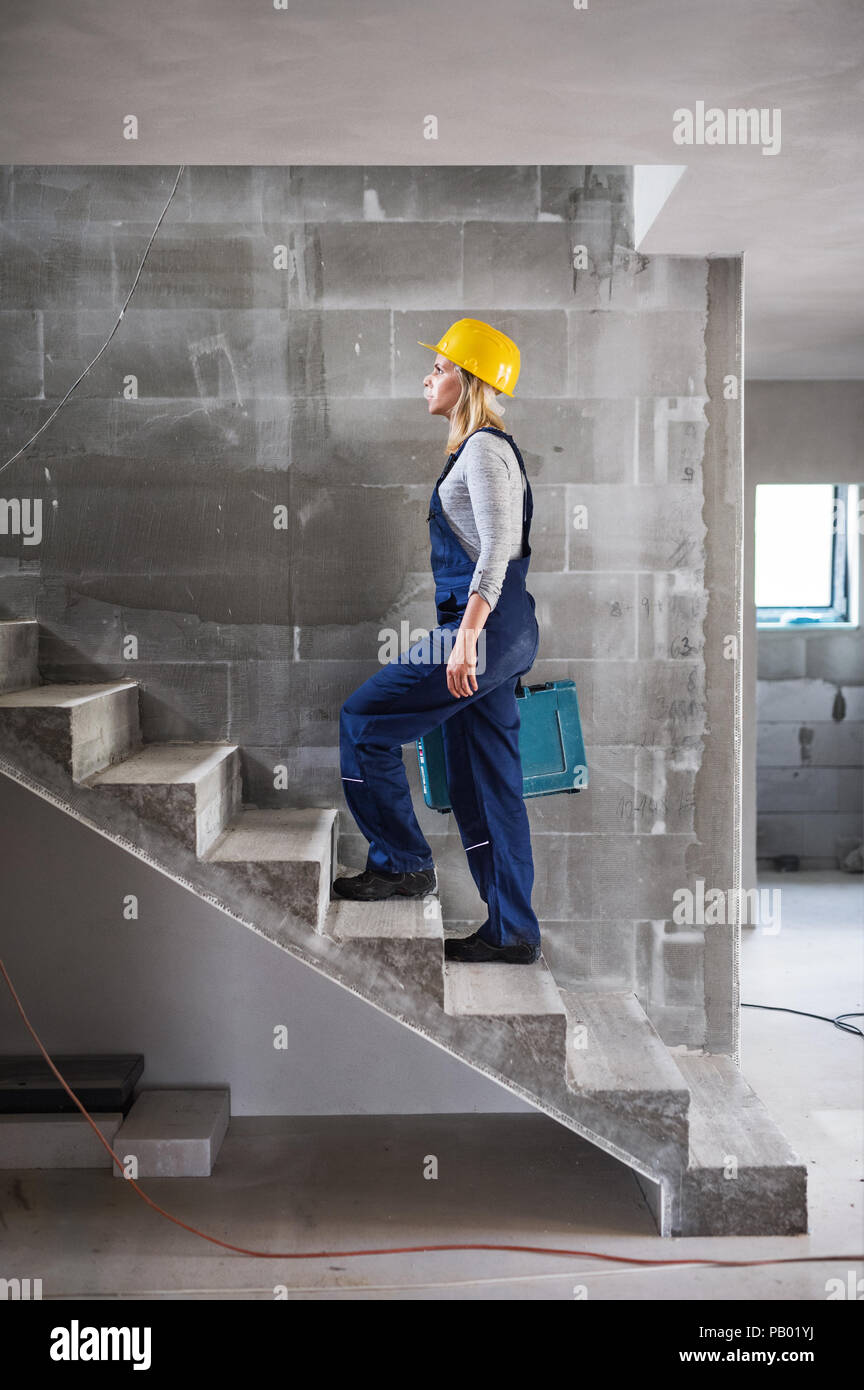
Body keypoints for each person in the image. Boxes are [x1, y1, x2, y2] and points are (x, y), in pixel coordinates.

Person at [334, 318, 542, 965]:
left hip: (481, 632)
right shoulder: (486, 448)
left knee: (363, 719)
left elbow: (499, 547)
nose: (429, 376)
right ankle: (511, 931)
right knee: (487, 783)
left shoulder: (483, 448)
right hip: (503, 635)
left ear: (469, 379)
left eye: (441, 367)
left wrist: (466, 639)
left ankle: (401, 863)